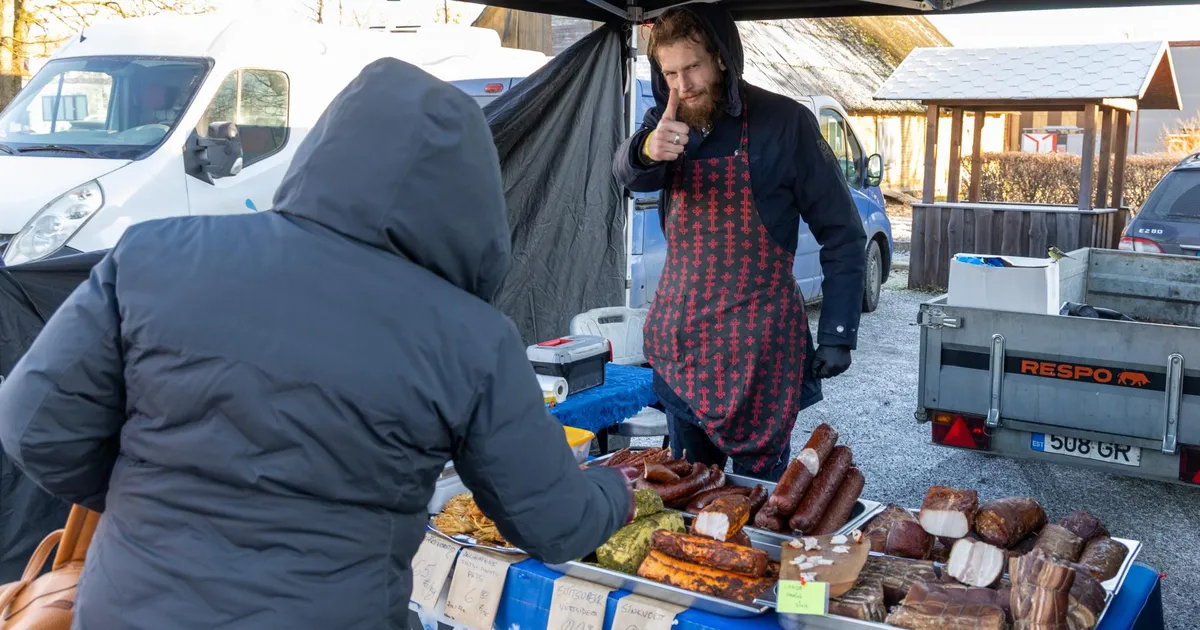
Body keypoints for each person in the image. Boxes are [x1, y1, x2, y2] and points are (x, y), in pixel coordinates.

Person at [0, 57, 634, 629]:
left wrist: (159, 497)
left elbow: (31, 426)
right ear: (472, 198)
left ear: (325, 149)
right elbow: (557, 524)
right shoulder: (469, 337)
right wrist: (621, 488)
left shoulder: (153, 255)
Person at [612, 6, 866, 481]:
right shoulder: (664, 122)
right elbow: (627, 177)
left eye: (693, 68)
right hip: (683, 348)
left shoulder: (786, 123)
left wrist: (837, 332)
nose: (682, 86)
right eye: (670, 74)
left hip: (762, 356)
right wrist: (645, 150)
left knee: (760, 503)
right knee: (687, 492)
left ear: (723, 59)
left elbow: (843, 233)